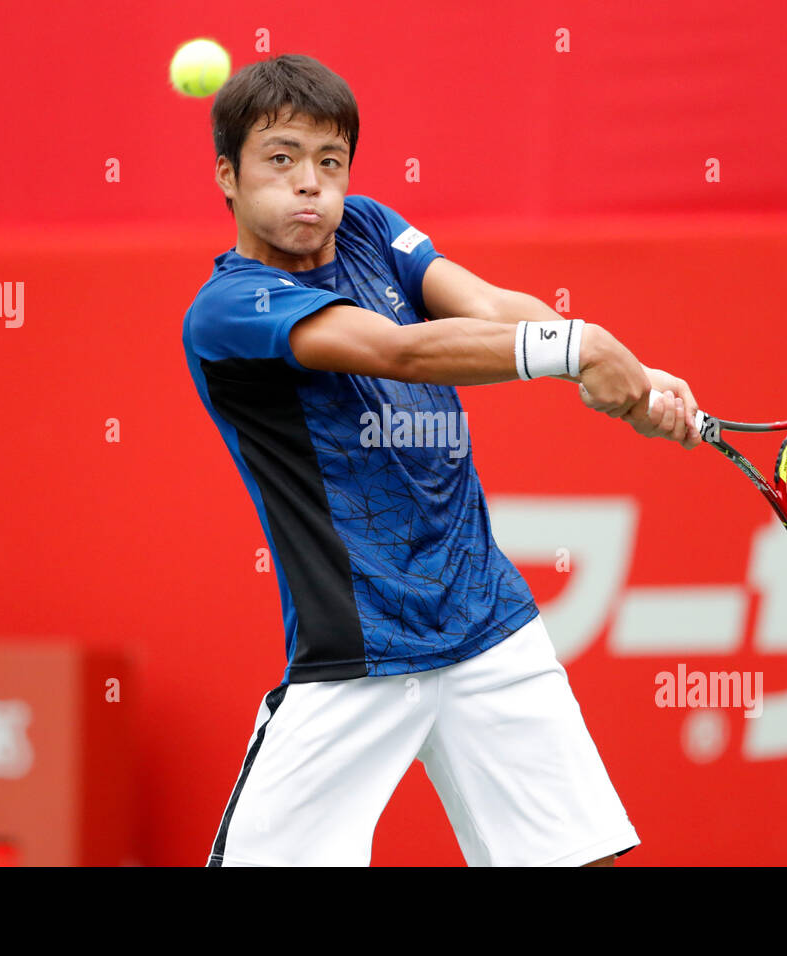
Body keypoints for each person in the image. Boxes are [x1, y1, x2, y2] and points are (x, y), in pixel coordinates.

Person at [181, 53, 702, 867]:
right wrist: (578, 347)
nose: (311, 184)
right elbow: (399, 352)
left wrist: (629, 370)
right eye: (280, 160)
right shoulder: (227, 311)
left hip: (485, 621)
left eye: (330, 162)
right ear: (228, 175)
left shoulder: (370, 228)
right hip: (356, 651)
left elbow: (493, 309)